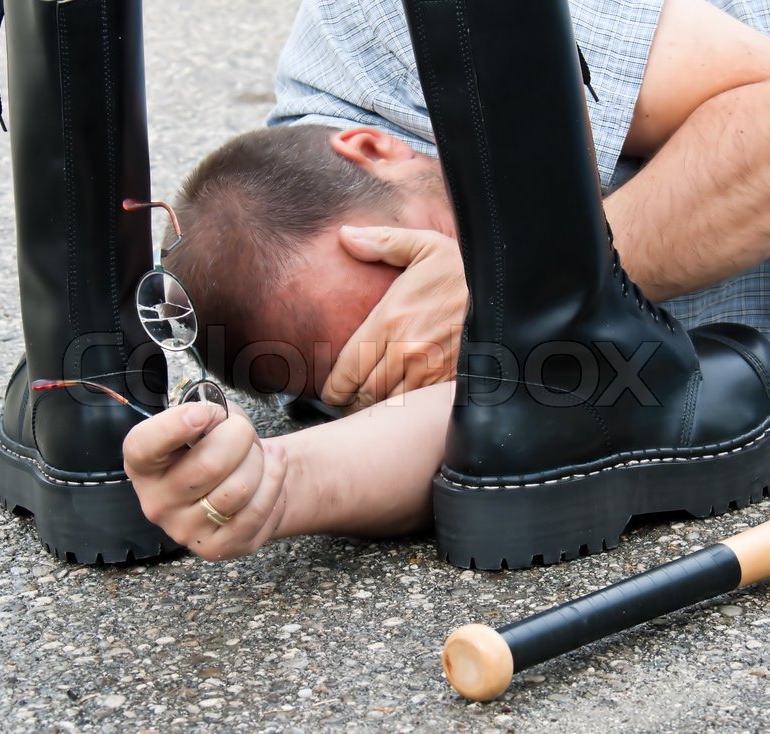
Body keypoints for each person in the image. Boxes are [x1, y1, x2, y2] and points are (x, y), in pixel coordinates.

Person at [124, 0, 770, 562]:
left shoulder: (390, 26)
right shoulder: (318, 336)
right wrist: (273, 485)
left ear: (374, 149)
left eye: (419, 271)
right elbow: (485, 422)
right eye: (417, 364)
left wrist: (523, 282)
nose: (444, 339)